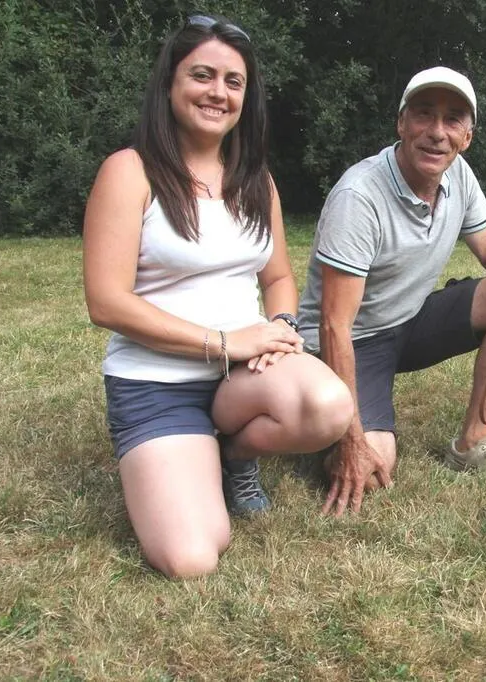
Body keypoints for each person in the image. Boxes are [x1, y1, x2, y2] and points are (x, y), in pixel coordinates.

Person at [82, 15, 354, 578]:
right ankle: (186, 455)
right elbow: (106, 301)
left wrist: (278, 329)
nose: (217, 92)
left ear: (245, 99)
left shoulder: (257, 180)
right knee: (192, 556)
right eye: (201, 75)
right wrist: (227, 341)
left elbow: (278, 277)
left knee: (330, 407)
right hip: (156, 384)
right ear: (170, 84)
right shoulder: (129, 172)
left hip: (241, 377)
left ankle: (235, 454)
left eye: (233, 82)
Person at [296, 66, 486, 516]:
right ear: (401, 123)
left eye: (453, 119)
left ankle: (472, 443)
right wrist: (349, 439)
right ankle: (317, 424)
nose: (437, 132)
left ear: (467, 136)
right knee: (376, 469)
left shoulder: (460, 177)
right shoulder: (359, 196)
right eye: (423, 114)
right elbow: (334, 325)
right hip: (350, 341)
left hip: (407, 322)